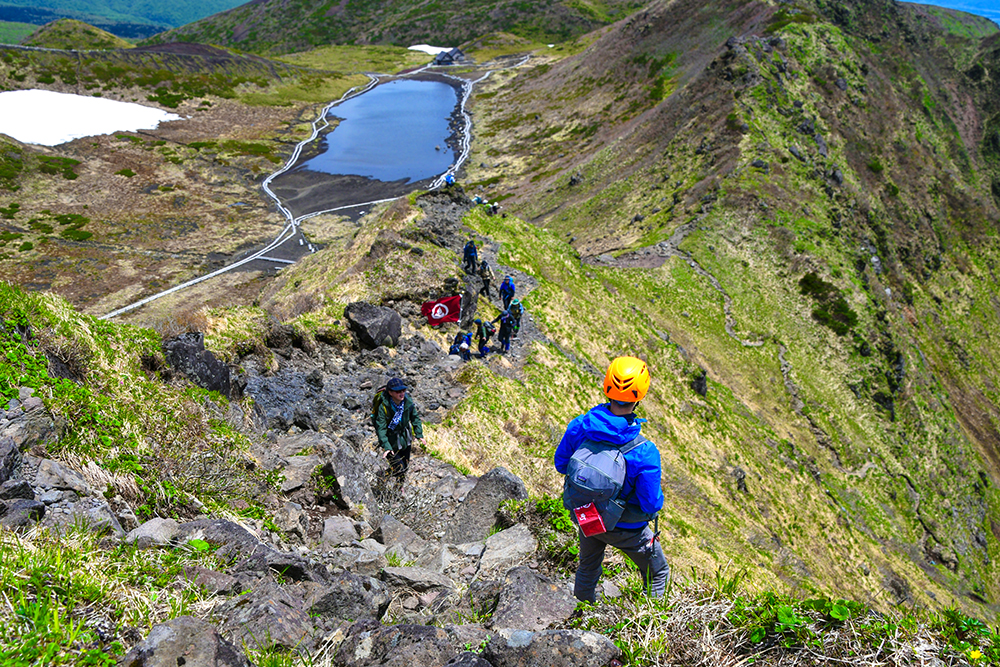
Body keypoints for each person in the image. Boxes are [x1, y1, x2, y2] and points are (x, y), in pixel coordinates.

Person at [554, 356, 668, 603]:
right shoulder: (644, 451)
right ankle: (652, 628)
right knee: (658, 573)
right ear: (640, 395)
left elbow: (561, 464)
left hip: (588, 517)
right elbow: (650, 504)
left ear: (607, 387)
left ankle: (582, 616)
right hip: (627, 529)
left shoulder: (580, 426)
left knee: (587, 568)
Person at [375, 378, 424, 479]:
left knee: (404, 467)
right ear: (390, 393)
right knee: (398, 467)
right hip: (391, 441)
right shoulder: (384, 407)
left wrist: (419, 434)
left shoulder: (408, 403)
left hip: (405, 439)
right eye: (398, 391)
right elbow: (381, 428)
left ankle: (399, 489)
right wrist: (386, 446)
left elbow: (415, 418)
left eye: (403, 390)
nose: (402, 393)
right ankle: (382, 477)